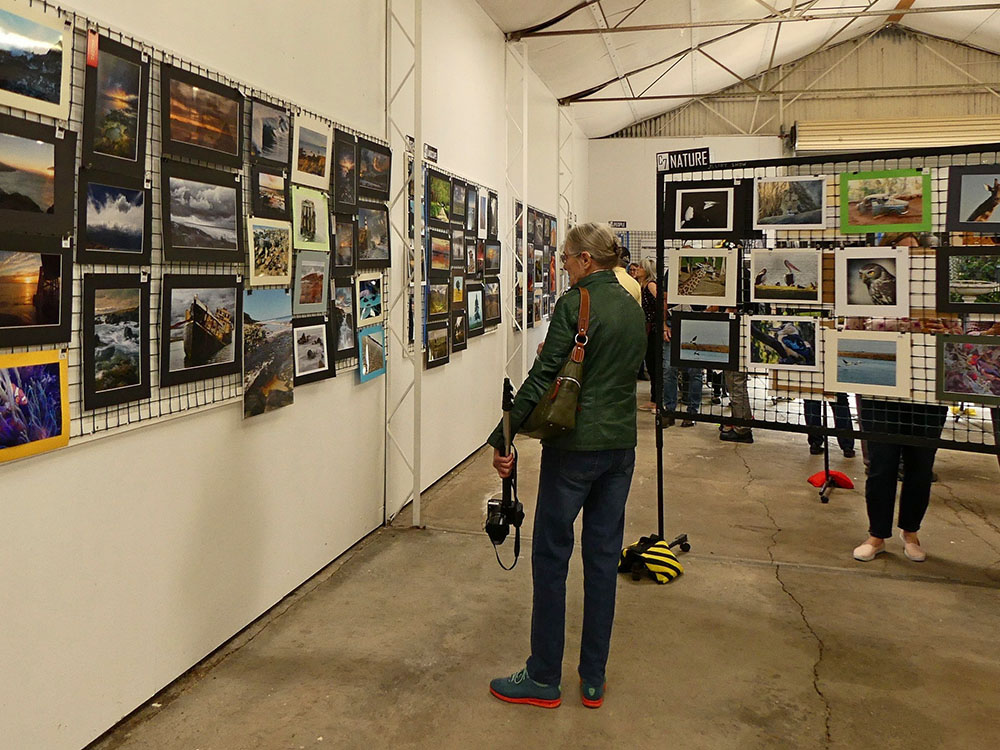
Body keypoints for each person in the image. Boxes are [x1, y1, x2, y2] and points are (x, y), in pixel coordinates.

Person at [486, 222, 646, 710]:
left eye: (565, 258)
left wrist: (504, 437)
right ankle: (593, 679)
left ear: (585, 260)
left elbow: (539, 380)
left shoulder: (576, 303)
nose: (561, 265)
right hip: (621, 449)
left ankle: (543, 677)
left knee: (552, 557)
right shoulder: (631, 306)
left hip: (574, 450)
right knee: (601, 561)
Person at [852, 399, 947, 563]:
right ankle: (877, 536)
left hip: (928, 401)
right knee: (881, 468)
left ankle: (911, 534)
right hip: (880, 398)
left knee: (920, 469)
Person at [660, 275, 703, 427]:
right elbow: (664, 299)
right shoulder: (671, 271)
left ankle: (692, 412)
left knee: (695, 371)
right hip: (674, 322)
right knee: (668, 369)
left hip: (696, 322)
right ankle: (669, 410)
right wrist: (664, 325)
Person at [635, 258, 659, 412]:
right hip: (648, 329)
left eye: (641, 267)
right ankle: (653, 399)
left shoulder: (650, 285)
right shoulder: (641, 286)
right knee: (650, 364)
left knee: (654, 364)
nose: (637, 269)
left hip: (654, 330)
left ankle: (657, 401)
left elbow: (660, 304)